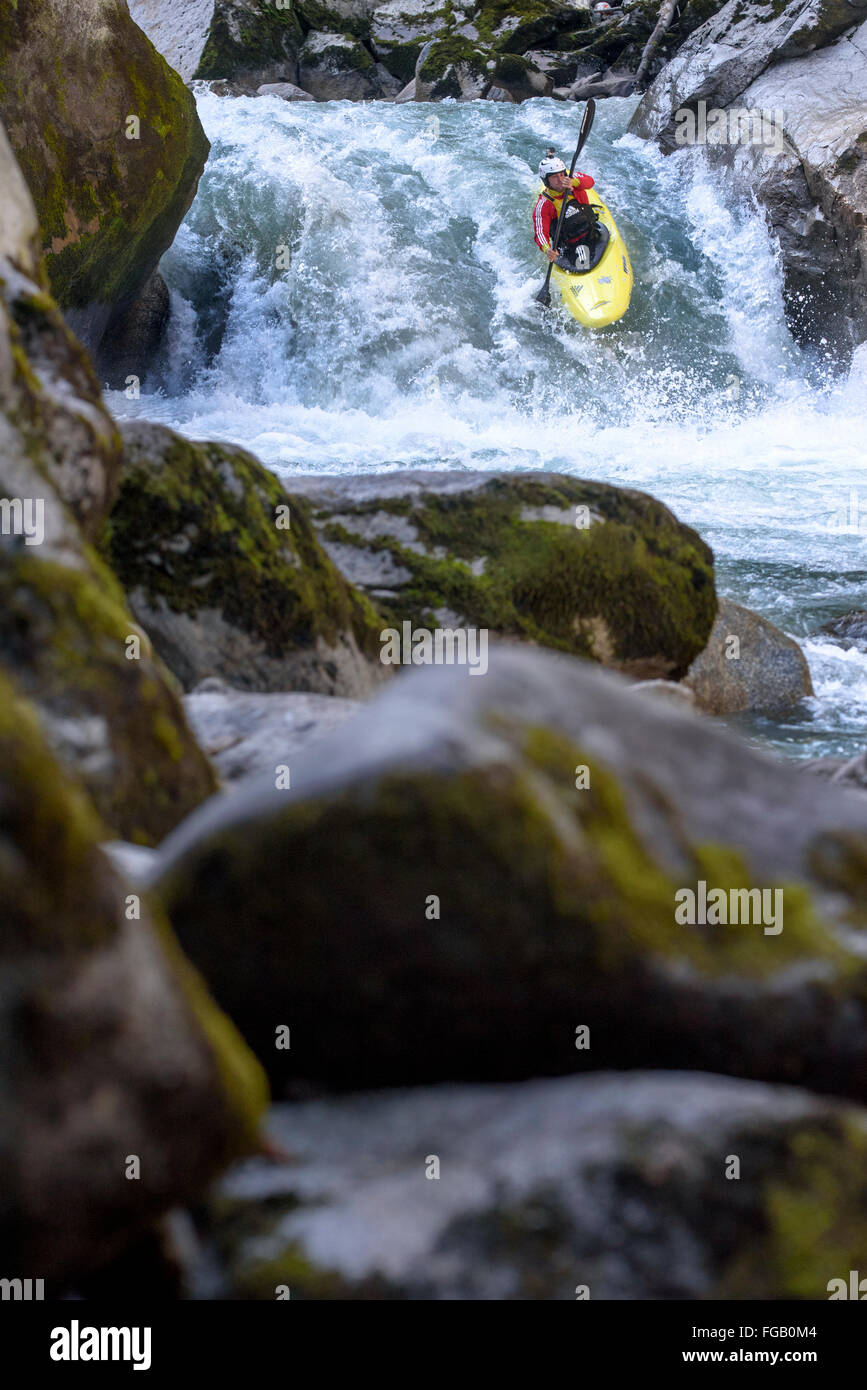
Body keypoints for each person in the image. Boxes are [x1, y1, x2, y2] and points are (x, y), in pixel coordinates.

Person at [533, 150, 597, 266]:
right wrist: (547, 249)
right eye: (554, 177)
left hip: (591, 230)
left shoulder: (572, 180)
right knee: (583, 264)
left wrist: (575, 182)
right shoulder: (544, 204)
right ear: (546, 181)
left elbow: (590, 182)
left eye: (562, 175)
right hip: (571, 245)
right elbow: (540, 232)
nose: (560, 179)